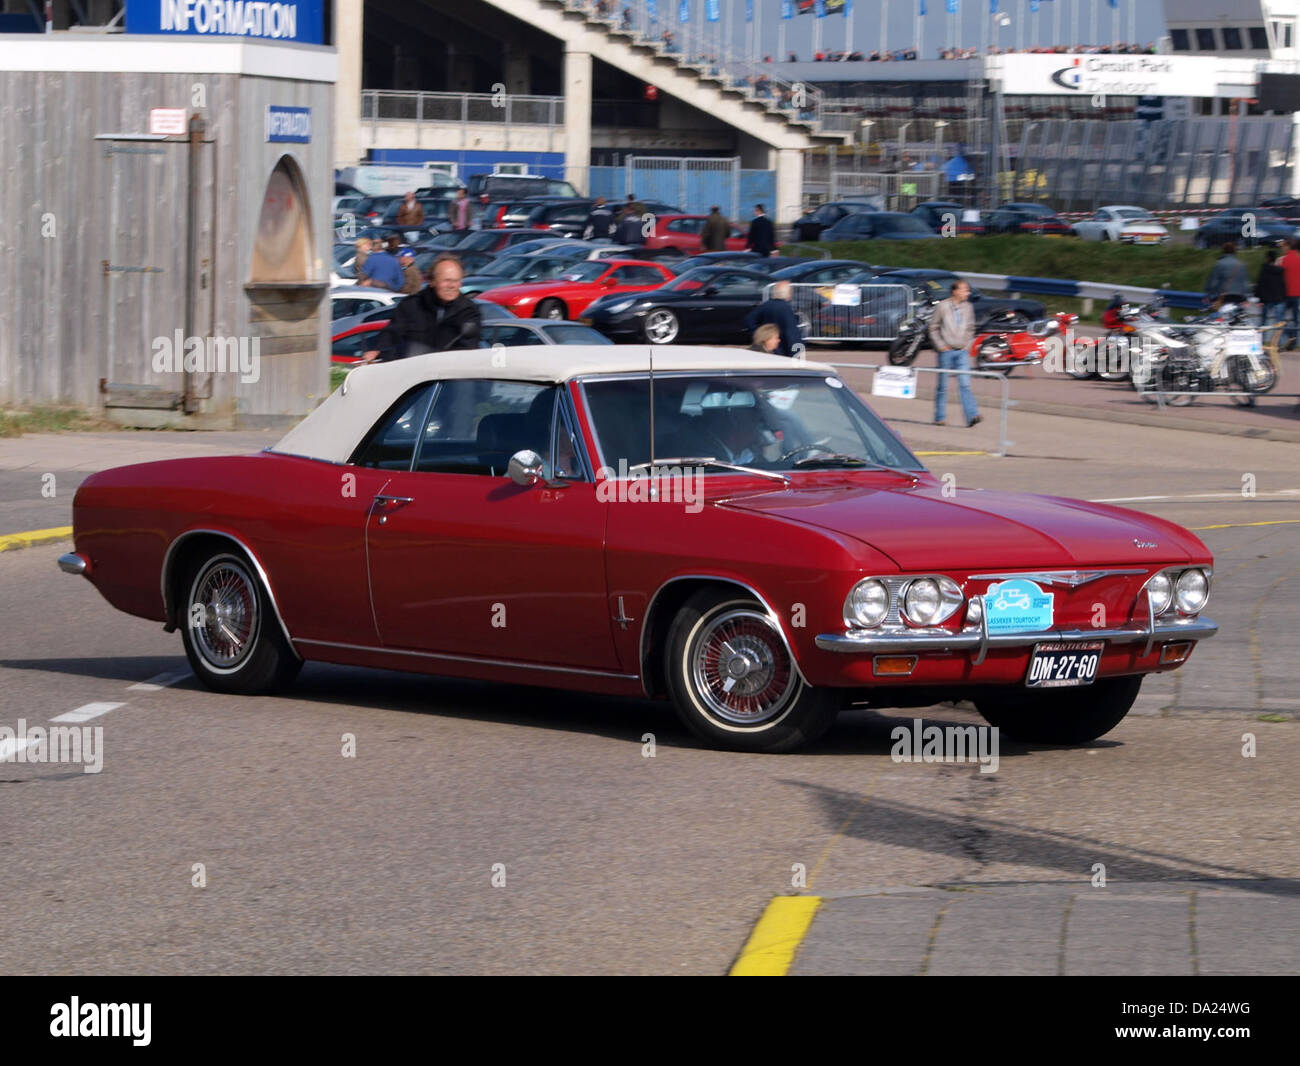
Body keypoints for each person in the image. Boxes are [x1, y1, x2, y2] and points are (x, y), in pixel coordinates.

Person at [363, 255, 482, 362]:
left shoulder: (469, 311)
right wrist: (379, 351)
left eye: (456, 281)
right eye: (447, 281)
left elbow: (468, 350)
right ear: (432, 281)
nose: (451, 286)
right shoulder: (411, 305)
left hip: (449, 378)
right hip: (412, 373)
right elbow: (392, 334)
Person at [929, 278, 981, 427]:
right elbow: (933, 328)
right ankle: (940, 417)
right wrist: (941, 346)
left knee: (965, 385)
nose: (968, 293)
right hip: (946, 351)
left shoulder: (968, 307)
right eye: (965, 290)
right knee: (943, 386)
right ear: (955, 291)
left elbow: (971, 328)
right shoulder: (942, 306)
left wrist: (968, 345)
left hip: (962, 351)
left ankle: (972, 415)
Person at [744, 281, 802, 357]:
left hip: (768, 347)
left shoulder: (766, 305)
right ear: (788, 294)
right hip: (783, 350)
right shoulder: (786, 309)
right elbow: (792, 333)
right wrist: (796, 352)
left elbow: (749, 320)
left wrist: (761, 334)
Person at [1204, 241, 1251, 306]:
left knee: (1222, 315)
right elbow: (1245, 283)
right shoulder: (1241, 264)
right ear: (1235, 251)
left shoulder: (1220, 263)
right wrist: (1247, 297)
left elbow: (1213, 282)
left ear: (1223, 251)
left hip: (1224, 297)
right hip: (1239, 297)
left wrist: (1209, 294)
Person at [1255, 248, 1287, 334]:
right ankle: (1279, 343)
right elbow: (1283, 284)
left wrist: (1259, 298)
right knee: (1279, 322)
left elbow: (1261, 284)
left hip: (1266, 300)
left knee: (1263, 322)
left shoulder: (1264, 269)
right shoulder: (1280, 271)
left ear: (1267, 258)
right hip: (1279, 298)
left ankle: (1260, 340)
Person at [1280, 237, 1300, 347]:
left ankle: (1289, 335)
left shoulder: (1284, 259)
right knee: (1296, 319)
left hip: (1286, 293)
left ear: (1288, 246)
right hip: (1298, 294)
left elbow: (1281, 276)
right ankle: (1294, 342)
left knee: (1281, 318)